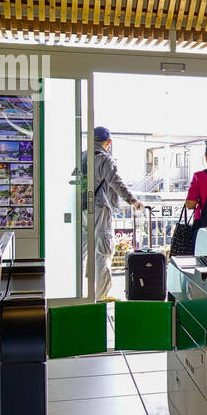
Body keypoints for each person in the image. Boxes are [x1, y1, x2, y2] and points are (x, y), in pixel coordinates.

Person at [84, 126, 142, 302]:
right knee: (103, 250)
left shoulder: (81, 156)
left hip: (82, 208)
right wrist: (133, 200)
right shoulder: (104, 159)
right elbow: (116, 182)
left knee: (82, 250)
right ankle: (101, 294)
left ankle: (80, 292)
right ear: (107, 143)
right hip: (100, 208)